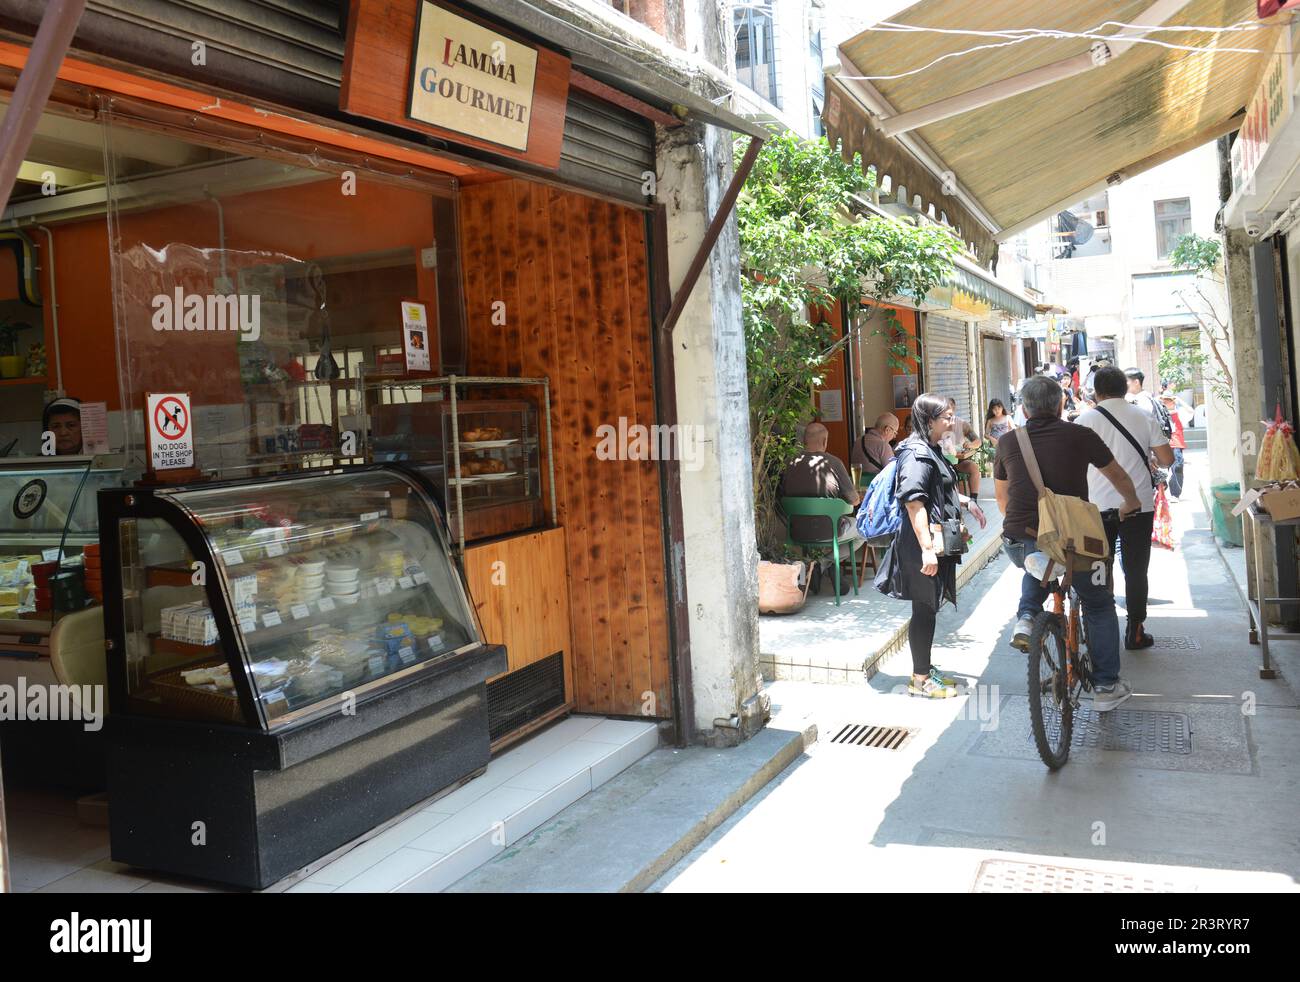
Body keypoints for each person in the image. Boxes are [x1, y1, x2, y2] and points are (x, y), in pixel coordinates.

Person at [994, 375, 1143, 712]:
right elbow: (1117, 475)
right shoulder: (1080, 435)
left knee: (1038, 558)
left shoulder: (1007, 442)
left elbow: (1002, 500)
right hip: (1074, 540)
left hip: (1021, 539)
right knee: (1098, 604)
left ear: (1023, 409)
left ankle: (1028, 616)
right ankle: (1106, 687)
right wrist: (1130, 501)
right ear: (1061, 405)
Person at [875, 393, 987, 699]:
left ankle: (922, 669)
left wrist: (967, 502)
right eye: (947, 418)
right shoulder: (916, 453)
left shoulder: (931, 449)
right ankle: (921, 680)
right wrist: (926, 548)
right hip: (920, 543)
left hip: (931, 540)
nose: (952, 422)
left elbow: (938, 489)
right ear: (929, 420)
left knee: (928, 607)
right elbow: (914, 503)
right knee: (924, 608)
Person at [1076, 366, 1175, 650]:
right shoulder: (1143, 416)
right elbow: (1167, 458)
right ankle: (1136, 631)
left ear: (1096, 391)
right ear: (1125, 388)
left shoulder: (1084, 420)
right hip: (1138, 505)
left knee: (1098, 568)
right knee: (1135, 569)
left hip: (1096, 506)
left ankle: (1099, 630)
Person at [777, 422, 863, 586]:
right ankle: (823, 562)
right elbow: (854, 500)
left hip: (795, 530)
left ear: (803, 441)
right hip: (830, 530)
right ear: (824, 441)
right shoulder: (833, 463)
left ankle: (817, 566)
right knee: (865, 528)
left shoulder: (789, 463)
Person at [851, 413, 899, 480]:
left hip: (858, 486)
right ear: (887, 429)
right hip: (876, 487)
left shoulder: (858, 441)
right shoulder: (883, 446)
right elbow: (893, 473)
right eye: (895, 432)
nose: (894, 436)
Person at [1161, 392, 1186, 499]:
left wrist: (1179, 401)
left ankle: (1175, 494)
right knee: (1166, 469)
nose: (1166, 402)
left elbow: (1191, 411)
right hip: (1164, 443)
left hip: (1176, 443)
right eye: (1164, 400)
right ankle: (1169, 493)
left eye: (1169, 400)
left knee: (1177, 467)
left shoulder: (1180, 412)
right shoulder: (1160, 413)